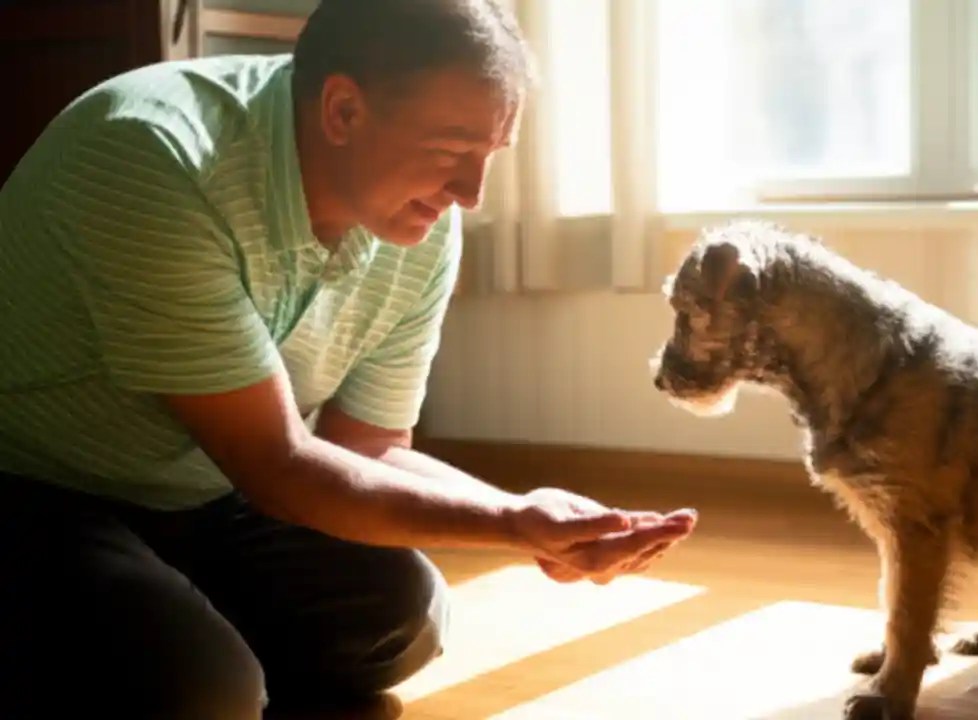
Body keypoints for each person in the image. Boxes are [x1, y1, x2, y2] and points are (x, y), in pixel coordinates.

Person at [0, 1, 697, 718]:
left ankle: (148, 631)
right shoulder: (149, 158)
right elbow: (279, 465)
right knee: (202, 691)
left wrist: (520, 511)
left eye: (490, 156)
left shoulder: (422, 223)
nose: (471, 194)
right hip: (41, 486)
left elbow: (363, 449)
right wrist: (510, 527)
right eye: (451, 150)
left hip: (209, 489)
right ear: (341, 110)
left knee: (400, 619)